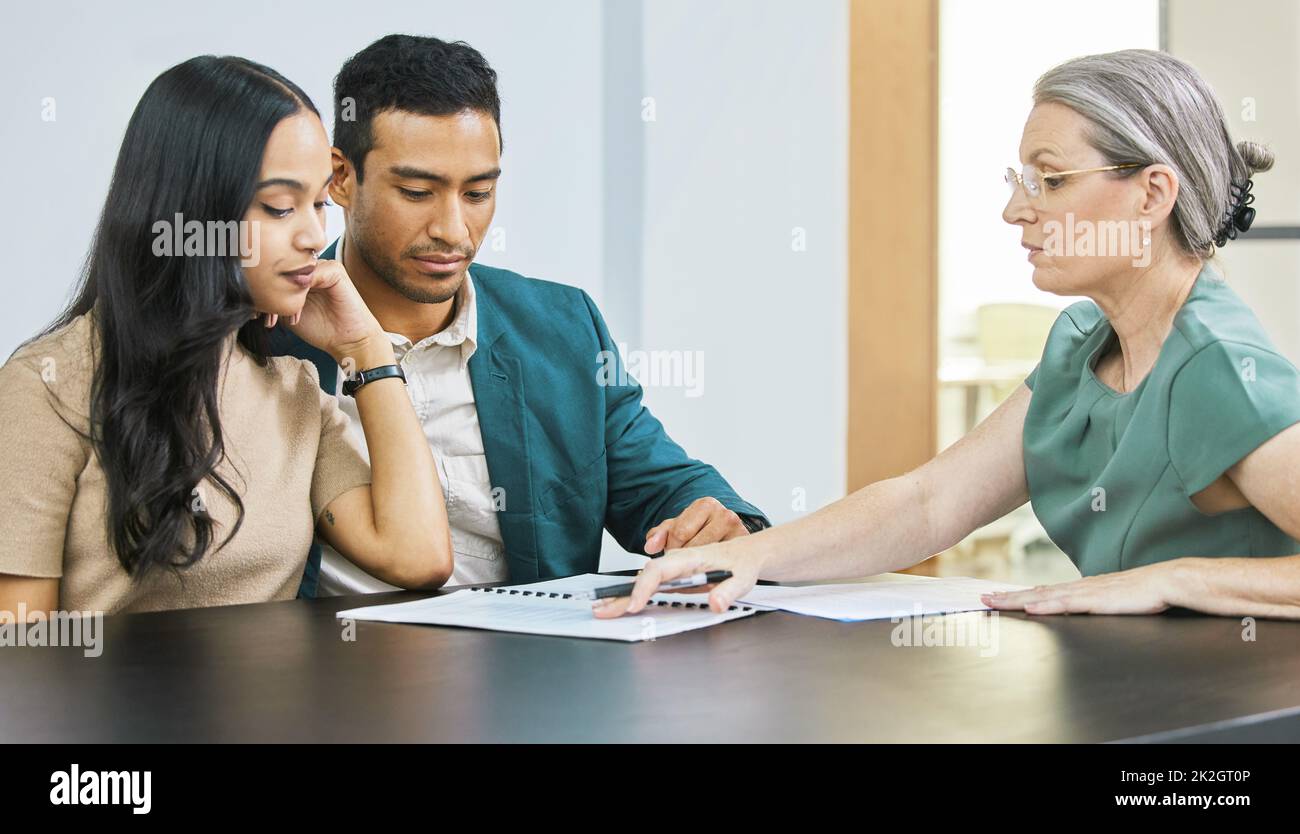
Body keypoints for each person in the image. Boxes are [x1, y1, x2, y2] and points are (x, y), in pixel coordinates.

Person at [596, 49, 1300, 622]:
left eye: (1050, 180)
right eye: (1019, 179)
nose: (1015, 211)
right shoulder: (1086, 340)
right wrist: (756, 554)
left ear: (1151, 195)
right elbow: (931, 502)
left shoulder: (1213, 364)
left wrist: (1175, 580)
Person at [271, 35, 768, 594]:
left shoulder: (561, 328)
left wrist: (726, 522)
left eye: (479, 192)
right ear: (340, 178)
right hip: (335, 670)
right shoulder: (262, 335)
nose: (453, 231)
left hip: (529, 669)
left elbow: (660, 485)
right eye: (416, 192)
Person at [0, 56, 452, 616]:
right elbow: (19, 652)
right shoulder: (47, 386)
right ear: (193, 214)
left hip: (278, 705)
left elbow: (420, 556)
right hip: (119, 704)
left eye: (317, 205)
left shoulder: (293, 391)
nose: (314, 235)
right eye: (282, 207)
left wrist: (367, 351)